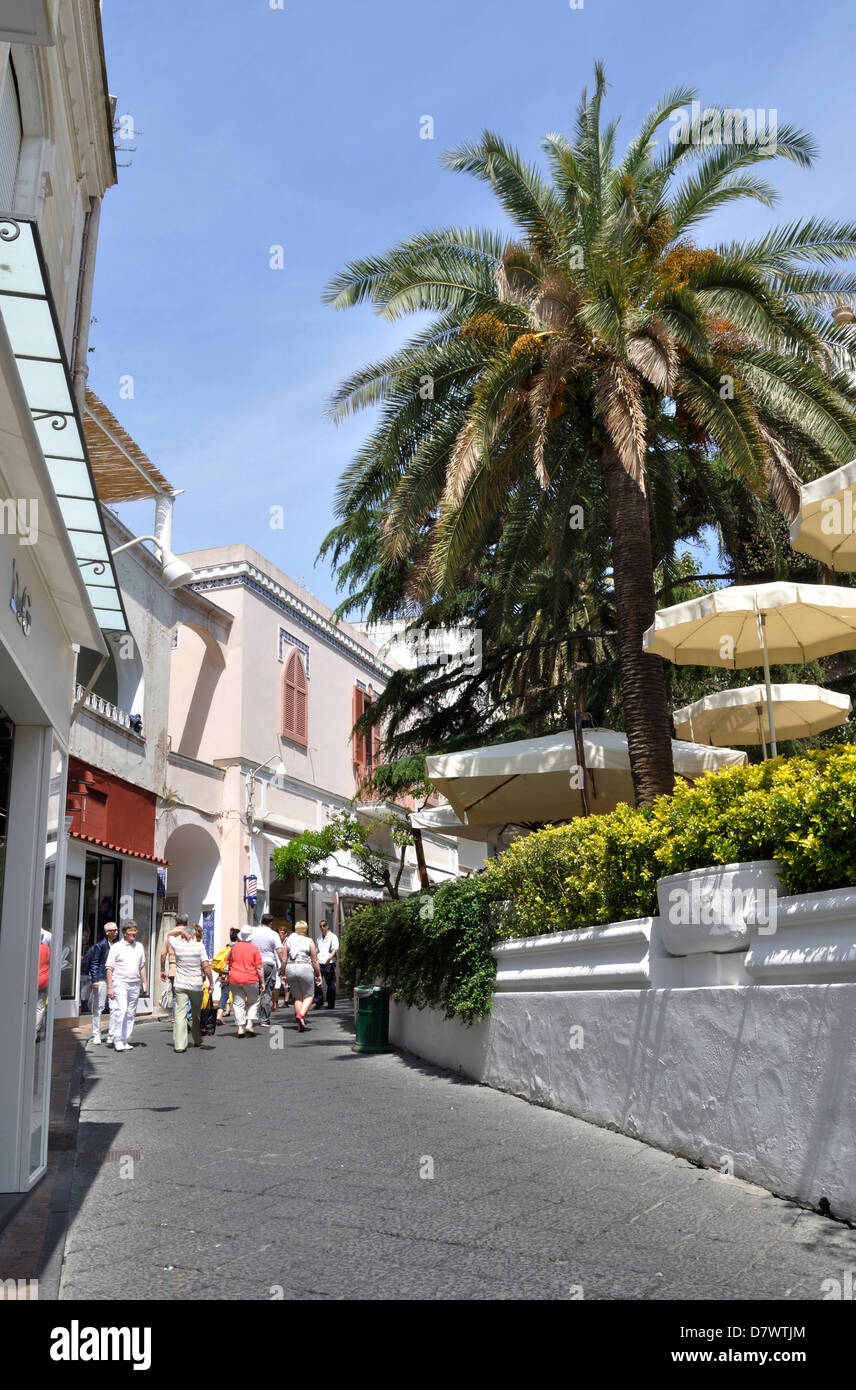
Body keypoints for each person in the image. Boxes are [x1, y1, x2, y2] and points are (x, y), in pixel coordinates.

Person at [162, 922, 214, 1052]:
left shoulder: (177, 945)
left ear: (184, 935)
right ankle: (197, 1039)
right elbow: (206, 966)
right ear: (194, 935)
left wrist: (180, 932)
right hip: (196, 986)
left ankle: (179, 1045)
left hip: (180, 985)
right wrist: (211, 982)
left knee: (180, 1014)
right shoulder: (199, 946)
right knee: (196, 1014)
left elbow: (168, 934)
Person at [106, 921, 148, 1051]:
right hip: (120, 983)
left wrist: (144, 983)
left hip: (135, 984)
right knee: (121, 1010)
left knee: (130, 1013)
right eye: (130, 930)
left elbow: (142, 966)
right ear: (124, 933)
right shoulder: (116, 947)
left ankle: (125, 1039)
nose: (133, 933)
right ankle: (117, 1039)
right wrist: (110, 987)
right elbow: (109, 968)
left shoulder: (139, 946)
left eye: (135, 930)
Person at [239, 913, 285, 1028]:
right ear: (271, 923)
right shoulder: (273, 934)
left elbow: (245, 944)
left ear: (261, 921)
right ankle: (264, 1019)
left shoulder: (253, 931)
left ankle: (248, 1017)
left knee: (252, 991)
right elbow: (279, 951)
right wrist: (283, 964)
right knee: (266, 992)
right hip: (268, 963)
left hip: (254, 963)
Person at [83, 921, 119, 1045]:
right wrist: (95, 980)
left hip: (114, 979)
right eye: (114, 930)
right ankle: (96, 1034)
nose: (116, 932)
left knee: (114, 1007)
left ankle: (112, 1034)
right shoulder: (101, 945)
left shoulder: (116, 945)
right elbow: (95, 963)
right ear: (107, 932)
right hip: (102, 980)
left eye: (116, 930)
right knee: (98, 1007)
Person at [284, 921, 322, 1034]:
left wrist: (282, 972)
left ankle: (301, 1022)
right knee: (309, 995)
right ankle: (301, 1015)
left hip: (290, 968)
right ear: (306, 929)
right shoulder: (309, 941)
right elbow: (314, 960)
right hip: (304, 967)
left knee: (297, 997)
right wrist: (319, 974)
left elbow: (284, 959)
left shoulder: (288, 941)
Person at [228, 933, 264, 1038]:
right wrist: (262, 982)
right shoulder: (254, 948)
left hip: (235, 978)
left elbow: (229, 962)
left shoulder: (234, 948)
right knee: (253, 1001)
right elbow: (259, 967)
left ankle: (240, 1028)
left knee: (238, 1003)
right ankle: (249, 1024)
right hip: (251, 978)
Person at [215, 928, 240, 1024]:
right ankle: (241, 1017)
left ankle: (219, 1014)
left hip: (223, 973)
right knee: (239, 995)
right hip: (234, 973)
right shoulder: (237, 949)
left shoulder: (225, 948)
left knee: (224, 995)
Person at [314, 920, 340, 1010]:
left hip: (329, 963)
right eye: (320, 926)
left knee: (331, 984)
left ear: (327, 926)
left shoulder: (332, 937)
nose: (322, 927)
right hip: (320, 963)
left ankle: (330, 1003)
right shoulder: (319, 938)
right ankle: (318, 1002)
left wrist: (329, 959)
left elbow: (334, 949)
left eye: (324, 925)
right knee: (317, 983)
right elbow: (317, 951)